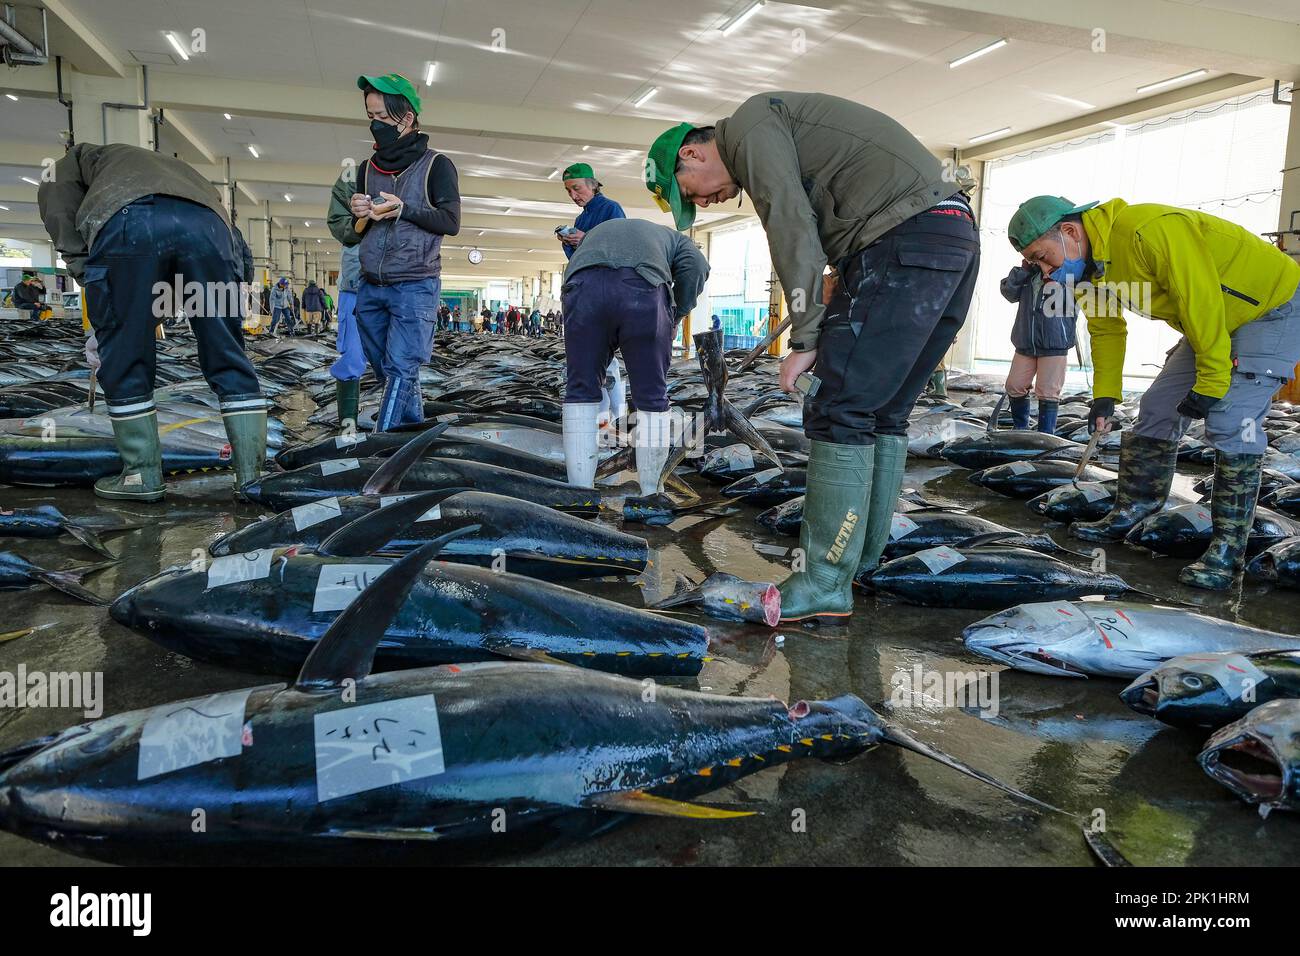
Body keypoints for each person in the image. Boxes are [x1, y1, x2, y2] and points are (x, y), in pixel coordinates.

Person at [646, 93, 978, 624]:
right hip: (948, 235)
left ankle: (824, 580)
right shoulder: (780, 127)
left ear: (691, 155)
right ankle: (862, 564)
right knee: (881, 410)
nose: (703, 205)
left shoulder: (751, 125)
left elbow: (790, 223)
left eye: (690, 196)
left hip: (901, 240)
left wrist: (804, 339)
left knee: (838, 407)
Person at [1009, 194, 1300, 590]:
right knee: (1158, 408)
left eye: (1043, 256)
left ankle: (1229, 548)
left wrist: (1212, 382)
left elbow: (1200, 298)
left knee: (1233, 420)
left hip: (1273, 308)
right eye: (1036, 263)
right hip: (1212, 321)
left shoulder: (1148, 230)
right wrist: (1106, 394)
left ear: (1070, 232)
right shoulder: (1087, 273)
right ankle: (1134, 508)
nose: (1044, 271)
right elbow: (1107, 329)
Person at [37, 142, 266, 501]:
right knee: (226, 349)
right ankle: (251, 477)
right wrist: (230, 301)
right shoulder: (184, 173)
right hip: (211, 232)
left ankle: (142, 477)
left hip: (131, 222)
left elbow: (59, 208)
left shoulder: (73, 159)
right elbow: (231, 245)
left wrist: (99, 292)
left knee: (125, 354)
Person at [335, 72, 461, 431]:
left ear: (407, 118)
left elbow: (451, 221)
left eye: (382, 118)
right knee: (388, 369)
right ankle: (413, 437)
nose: (375, 125)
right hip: (371, 286)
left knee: (402, 367)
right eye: (371, 117)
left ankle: (381, 450)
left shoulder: (437, 166)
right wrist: (361, 213)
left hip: (415, 285)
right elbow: (357, 231)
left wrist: (404, 208)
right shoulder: (365, 169)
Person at [561, 218, 708, 496]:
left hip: (582, 290)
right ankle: (651, 494)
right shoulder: (678, 241)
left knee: (581, 390)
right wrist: (676, 312)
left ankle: (580, 495)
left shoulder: (600, 231)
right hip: (642, 293)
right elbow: (697, 266)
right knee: (652, 397)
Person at [999, 260, 1077, 432]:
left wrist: (1052, 281)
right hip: (1025, 341)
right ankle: (1020, 429)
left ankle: (1045, 436)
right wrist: (1023, 270)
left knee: (1048, 391)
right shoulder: (1028, 273)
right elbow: (1008, 293)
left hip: (1054, 342)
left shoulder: (1069, 271)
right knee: (1014, 385)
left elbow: (1069, 305)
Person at [556, 163, 625, 259]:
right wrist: (567, 242)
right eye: (568, 191)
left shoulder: (611, 208)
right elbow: (577, 259)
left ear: (593, 185)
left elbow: (620, 246)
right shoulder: (580, 219)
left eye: (577, 188)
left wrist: (586, 239)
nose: (573, 196)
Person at [330, 243, 366, 427]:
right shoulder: (350, 213)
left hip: (395, 288)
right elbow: (341, 225)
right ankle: (348, 430)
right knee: (352, 357)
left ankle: (393, 434)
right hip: (354, 286)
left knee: (398, 360)